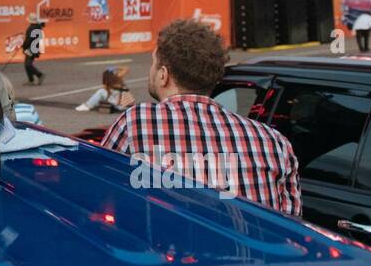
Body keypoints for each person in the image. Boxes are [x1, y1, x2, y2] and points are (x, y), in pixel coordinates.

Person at [100, 19, 302, 216]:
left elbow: (97, 191)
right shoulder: (274, 143)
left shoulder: (136, 124)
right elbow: (293, 228)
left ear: (163, 75)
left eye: (153, 63)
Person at [22, 13, 45, 85]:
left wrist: (24, 46)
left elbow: (29, 40)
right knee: (27, 64)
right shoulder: (38, 27)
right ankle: (31, 79)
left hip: (31, 49)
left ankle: (39, 75)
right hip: (35, 48)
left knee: (28, 64)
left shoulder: (31, 28)